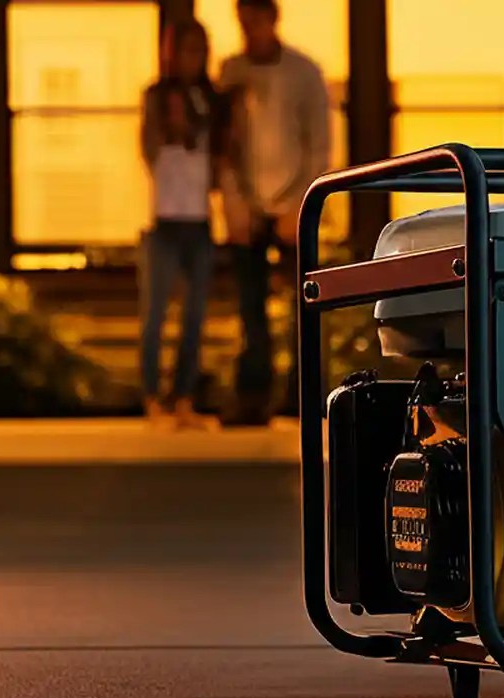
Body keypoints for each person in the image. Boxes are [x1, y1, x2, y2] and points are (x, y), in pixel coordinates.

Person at [217, 0, 331, 426]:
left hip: (293, 201)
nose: (250, 32)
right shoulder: (231, 71)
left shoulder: (304, 73)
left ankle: (303, 393)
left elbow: (318, 144)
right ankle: (252, 395)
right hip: (248, 202)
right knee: (251, 307)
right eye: (244, 25)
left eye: (256, 23)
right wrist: (235, 204)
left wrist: (298, 204)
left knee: (303, 303)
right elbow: (224, 146)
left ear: (271, 20)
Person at [139, 18, 226, 431]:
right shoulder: (157, 96)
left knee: (194, 315)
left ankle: (185, 398)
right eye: (186, 49)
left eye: (199, 50)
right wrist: (168, 126)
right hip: (163, 218)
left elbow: (219, 151)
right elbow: (148, 148)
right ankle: (153, 396)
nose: (193, 58)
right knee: (156, 314)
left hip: (199, 217)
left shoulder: (209, 98)